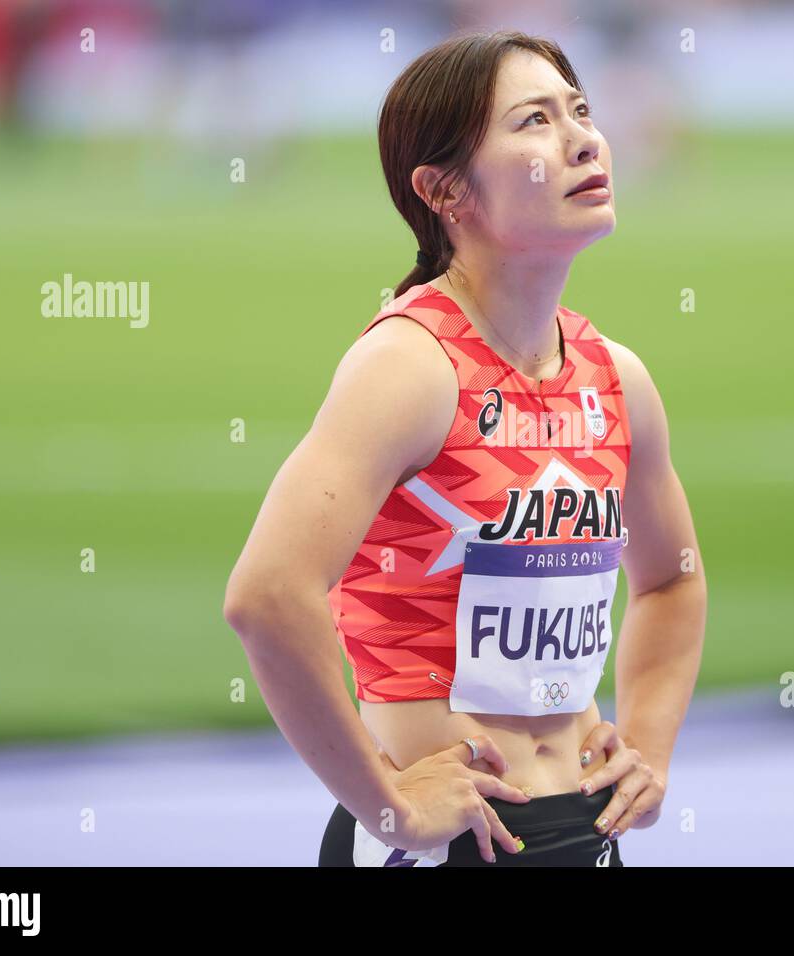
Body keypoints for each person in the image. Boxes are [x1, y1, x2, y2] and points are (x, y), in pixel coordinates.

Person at [224, 30, 706, 867]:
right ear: (444, 189)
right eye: (534, 122)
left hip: (583, 831)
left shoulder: (615, 381)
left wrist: (651, 753)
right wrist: (387, 808)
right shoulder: (410, 368)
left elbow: (671, 581)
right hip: (448, 837)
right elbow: (267, 597)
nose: (585, 139)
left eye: (581, 111)